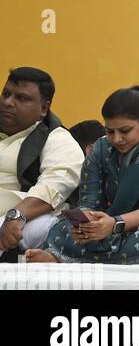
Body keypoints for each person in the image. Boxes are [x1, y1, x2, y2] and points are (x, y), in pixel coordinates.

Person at [27, 87, 139, 264]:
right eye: (110, 131)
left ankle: (63, 258)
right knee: (62, 227)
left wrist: (116, 224)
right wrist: (85, 226)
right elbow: (89, 203)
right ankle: (77, 255)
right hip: (107, 225)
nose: (116, 139)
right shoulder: (100, 148)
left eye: (125, 131)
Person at [0, 68, 84, 260]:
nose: (8, 102)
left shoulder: (57, 138)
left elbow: (54, 186)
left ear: (44, 108)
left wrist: (16, 216)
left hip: (19, 222)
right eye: (6, 94)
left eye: (21, 98)